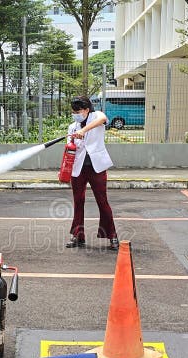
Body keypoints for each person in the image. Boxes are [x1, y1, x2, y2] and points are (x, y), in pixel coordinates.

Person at [66, 96, 119, 251]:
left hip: (97, 167)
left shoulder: (97, 117)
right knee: (78, 201)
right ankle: (77, 235)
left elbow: (103, 119)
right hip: (78, 169)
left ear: (87, 110)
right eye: (73, 112)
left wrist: (83, 130)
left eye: (78, 111)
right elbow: (71, 149)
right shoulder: (72, 127)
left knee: (102, 201)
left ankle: (112, 236)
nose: (75, 114)